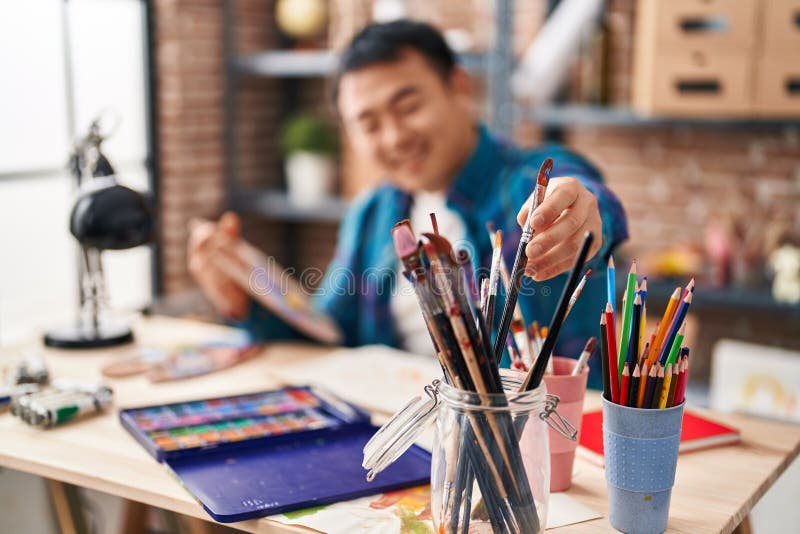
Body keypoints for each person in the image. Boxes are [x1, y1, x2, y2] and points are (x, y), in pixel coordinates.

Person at [189, 20, 628, 388]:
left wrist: (583, 216)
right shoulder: (371, 215)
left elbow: (588, 198)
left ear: (458, 86)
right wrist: (245, 298)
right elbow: (329, 334)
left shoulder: (526, 181)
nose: (395, 137)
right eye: (370, 123)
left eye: (408, 105)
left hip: (541, 440)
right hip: (405, 438)